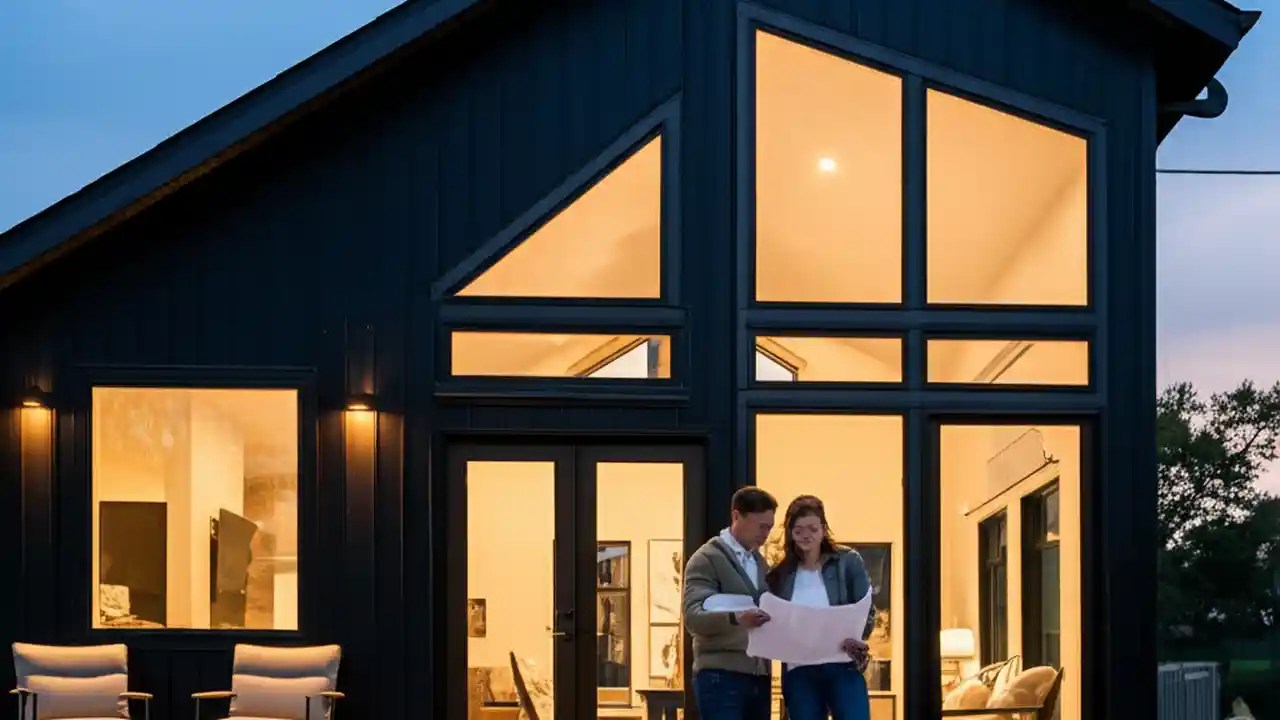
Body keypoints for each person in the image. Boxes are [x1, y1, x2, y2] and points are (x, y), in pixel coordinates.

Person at [765, 495, 876, 720]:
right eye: (798, 530)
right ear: (790, 533)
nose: (806, 536)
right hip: (799, 668)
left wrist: (858, 636)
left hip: (842, 663)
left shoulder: (847, 561)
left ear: (824, 529)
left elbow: (867, 610)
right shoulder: (780, 575)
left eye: (813, 529)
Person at [682, 486, 778, 720]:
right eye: (761, 526)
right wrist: (736, 618)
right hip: (721, 676)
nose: (766, 534)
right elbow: (693, 617)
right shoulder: (706, 559)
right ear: (737, 517)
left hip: (758, 677)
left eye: (770, 527)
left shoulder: (760, 563)